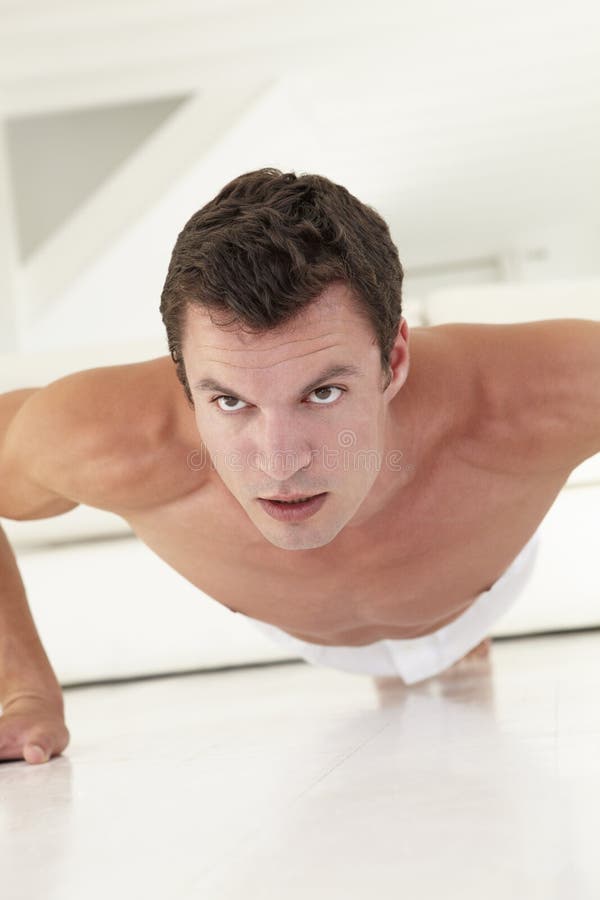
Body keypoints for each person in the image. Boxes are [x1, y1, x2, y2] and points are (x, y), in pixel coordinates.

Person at [1, 168, 598, 765]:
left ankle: (461, 640)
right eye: (230, 401)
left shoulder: (530, 397)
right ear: (183, 378)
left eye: (323, 393)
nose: (281, 462)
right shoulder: (99, 438)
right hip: (302, 627)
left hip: (480, 587)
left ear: (393, 358)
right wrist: (23, 689)